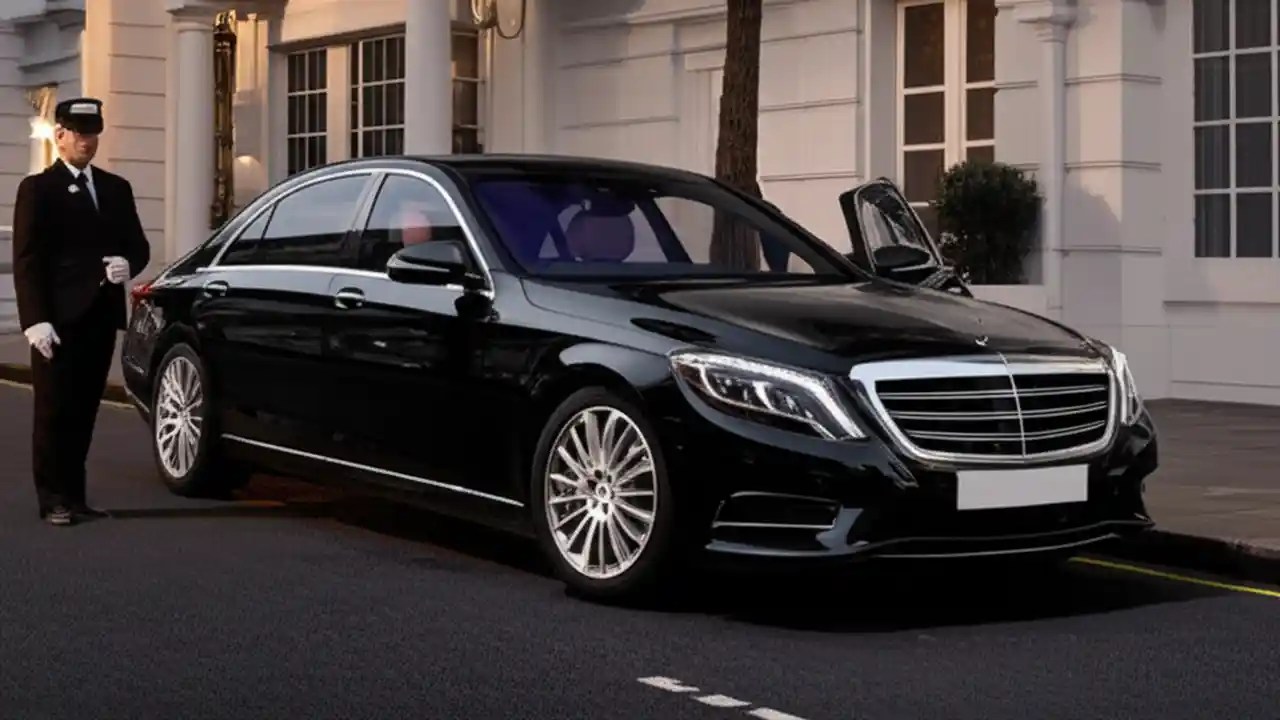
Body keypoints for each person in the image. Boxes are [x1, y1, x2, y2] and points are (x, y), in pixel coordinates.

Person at [11, 97, 151, 526]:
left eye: (93, 134)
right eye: (79, 133)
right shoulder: (38, 189)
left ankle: (76, 496)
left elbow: (137, 247)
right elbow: (28, 259)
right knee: (54, 410)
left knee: (85, 411)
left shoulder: (115, 188)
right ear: (60, 136)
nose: (88, 142)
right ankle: (52, 498)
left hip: (99, 316)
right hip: (56, 318)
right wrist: (34, 320)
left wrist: (129, 265)